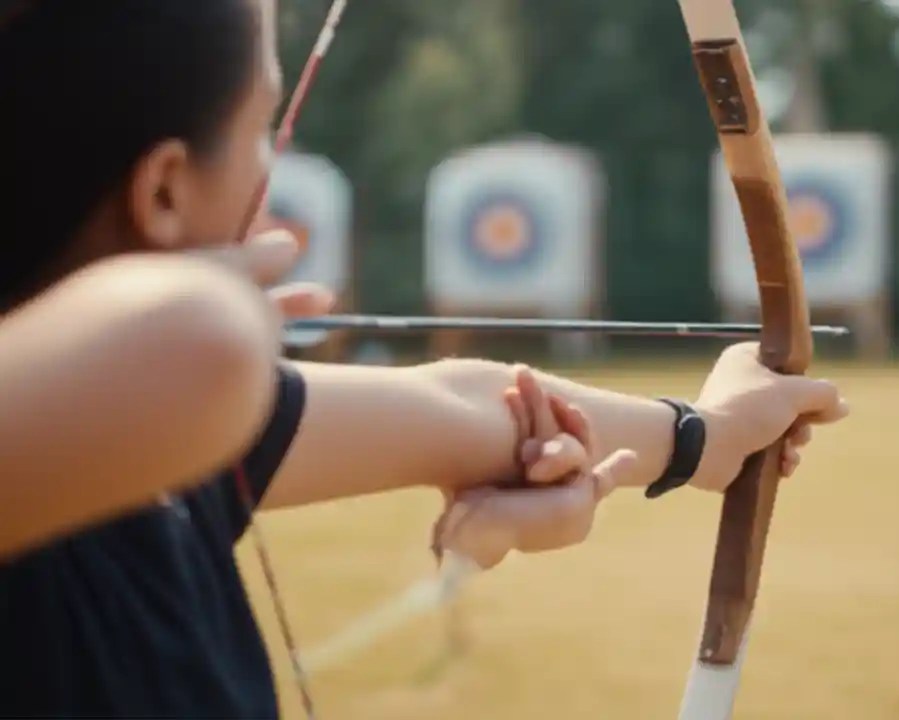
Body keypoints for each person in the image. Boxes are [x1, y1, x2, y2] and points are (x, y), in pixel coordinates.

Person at [0, 0, 849, 717]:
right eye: (262, 124)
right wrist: (204, 313)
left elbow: (468, 406)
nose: (271, 174)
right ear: (162, 192)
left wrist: (705, 434)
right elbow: (201, 345)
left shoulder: (168, 428)